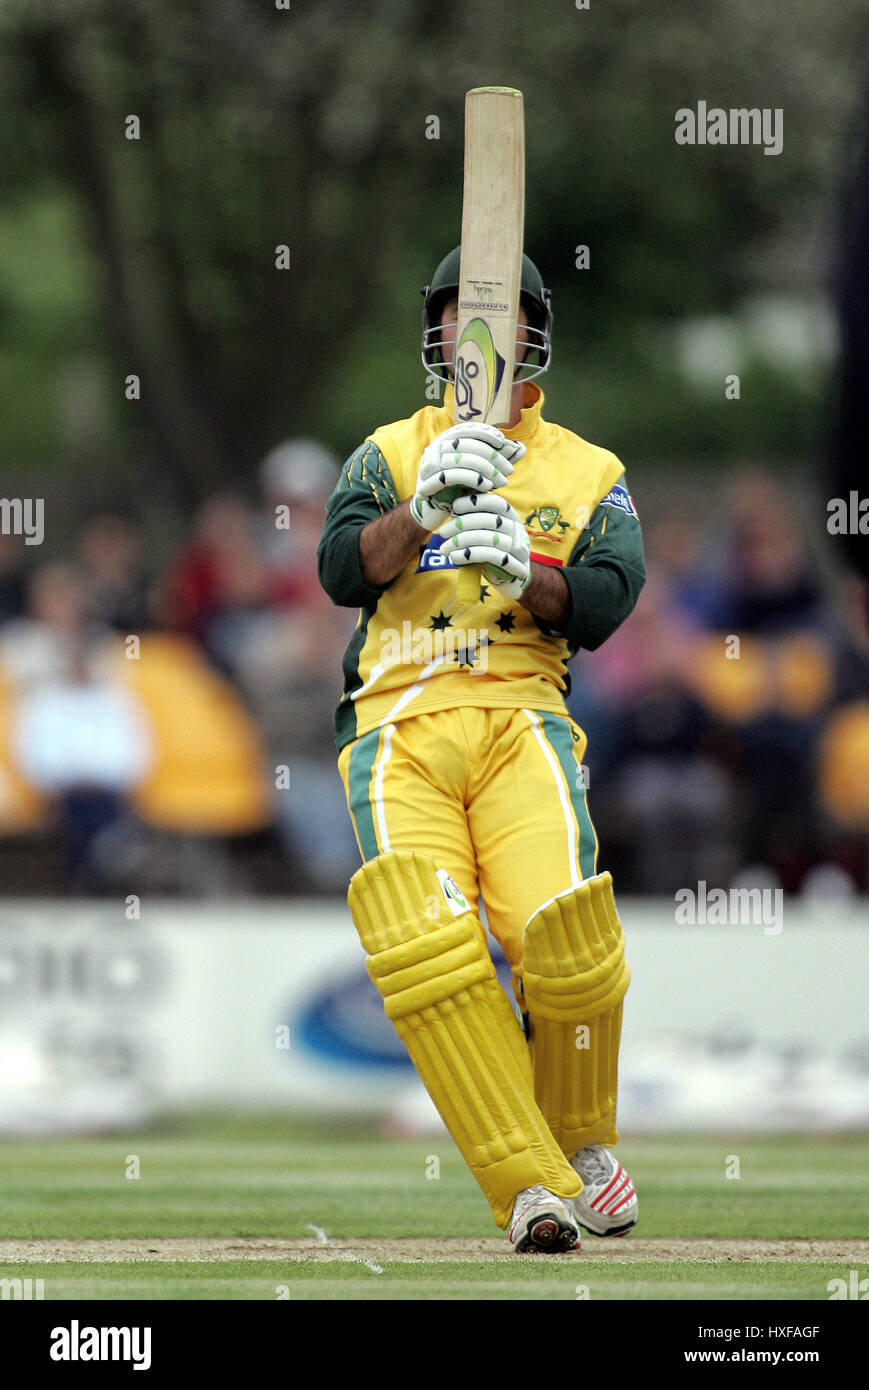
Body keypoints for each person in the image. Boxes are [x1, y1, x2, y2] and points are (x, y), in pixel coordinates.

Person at [317, 249, 646, 1253]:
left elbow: (604, 601)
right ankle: (526, 1190)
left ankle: (577, 1141)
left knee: (567, 940)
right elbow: (338, 567)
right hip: (397, 725)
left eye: (498, 322)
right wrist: (419, 513)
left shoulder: (589, 471)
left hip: (521, 722)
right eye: (462, 322)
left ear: (533, 335)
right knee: (432, 954)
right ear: (436, 339)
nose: (480, 343)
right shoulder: (385, 452)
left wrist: (527, 568)